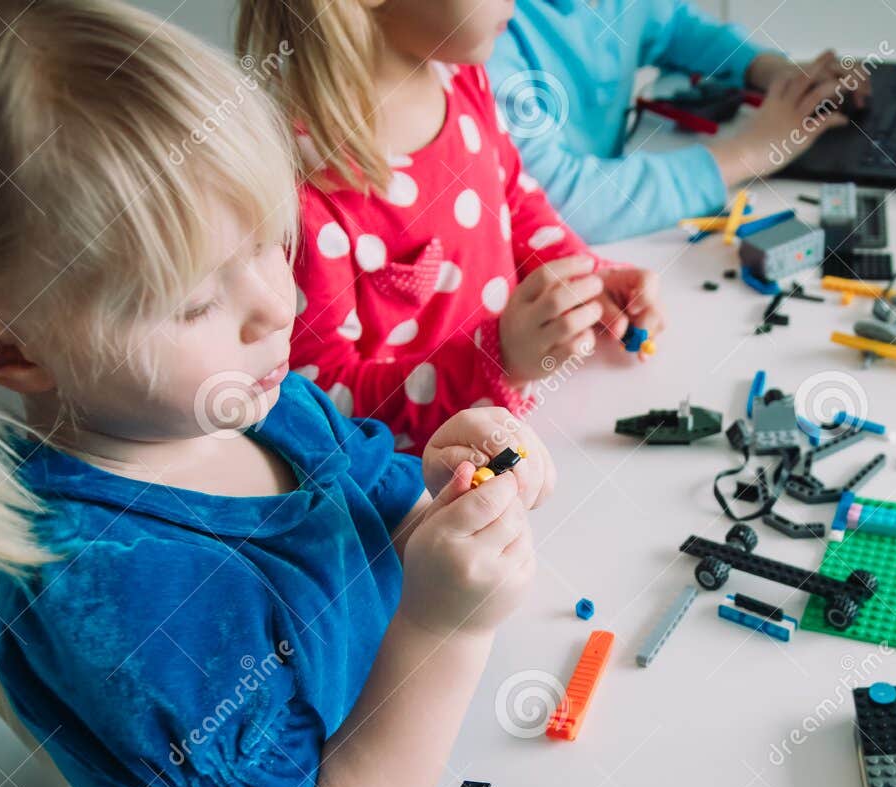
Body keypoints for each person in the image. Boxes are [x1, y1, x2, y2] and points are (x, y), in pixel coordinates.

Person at [0, 0, 549, 787]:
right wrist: (449, 625)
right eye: (196, 299)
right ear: (3, 353)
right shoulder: (116, 598)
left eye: (270, 241)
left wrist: (461, 472)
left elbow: (384, 496)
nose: (271, 304)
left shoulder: (251, 397)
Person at [238, 0, 665, 450]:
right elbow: (325, 402)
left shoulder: (460, 77)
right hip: (425, 487)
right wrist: (497, 360)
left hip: (529, 425)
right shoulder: (300, 186)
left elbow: (513, 200)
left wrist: (582, 279)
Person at [487, 0, 868, 241]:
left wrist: (771, 71)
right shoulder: (486, 29)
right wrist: (750, 152)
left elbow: (672, 28)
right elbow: (560, 203)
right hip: (543, 262)